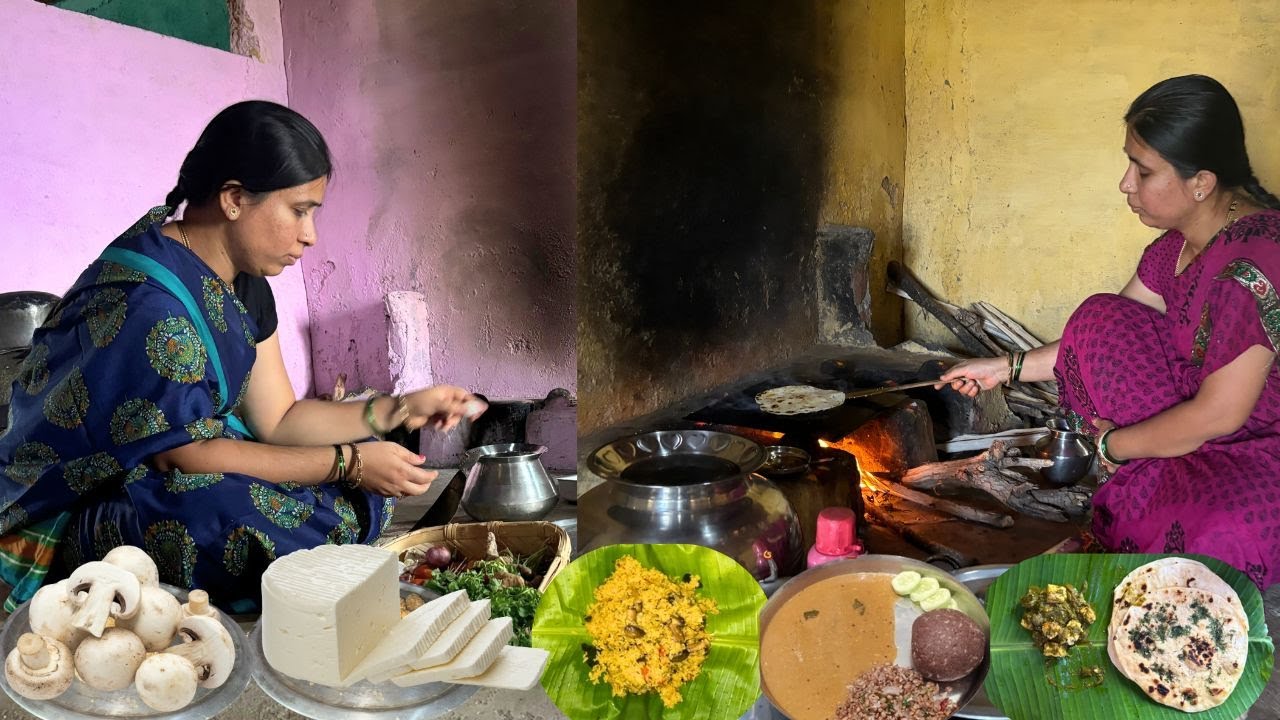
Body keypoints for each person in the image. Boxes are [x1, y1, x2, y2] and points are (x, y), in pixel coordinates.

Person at [0, 101, 487, 611]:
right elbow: (183, 456)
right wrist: (349, 463)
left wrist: (398, 409)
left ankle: (312, 547)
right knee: (220, 515)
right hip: (78, 499)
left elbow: (278, 418)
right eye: (299, 211)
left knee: (355, 467)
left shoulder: (243, 282)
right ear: (234, 199)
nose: (310, 235)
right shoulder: (149, 306)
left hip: (182, 458)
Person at [941, 75, 1280, 590]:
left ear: (1201, 182)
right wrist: (1004, 369)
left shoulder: (1256, 258)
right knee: (1101, 317)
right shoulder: (1182, 243)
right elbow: (1100, 332)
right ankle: (1152, 477)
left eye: (1142, 171)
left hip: (1253, 441)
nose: (1126, 184)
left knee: (1214, 544)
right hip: (1194, 420)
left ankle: (1149, 481)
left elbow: (1221, 413)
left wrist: (1114, 448)